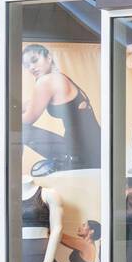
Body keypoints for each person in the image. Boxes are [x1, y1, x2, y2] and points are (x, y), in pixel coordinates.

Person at [21, 44, 101, 176]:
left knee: (17, 129)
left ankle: (9, 172)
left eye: (34, 60)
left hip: (81, 153)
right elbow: (31, 104)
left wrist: (5, 115)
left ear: (49, 57)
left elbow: (28, 119)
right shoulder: (59, 77)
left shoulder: (46, 81)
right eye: (27, 65)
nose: (31, 67)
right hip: (95, 148)